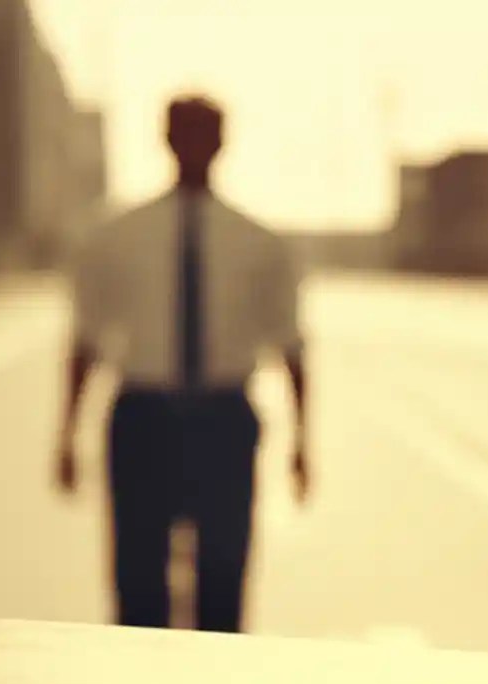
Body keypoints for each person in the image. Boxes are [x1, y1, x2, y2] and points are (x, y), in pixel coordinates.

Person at [57, 95, 308, 634]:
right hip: (143, 420)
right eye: (185, 132)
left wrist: (302, 442)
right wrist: (67, 434)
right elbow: (85, 339)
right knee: (138, 591)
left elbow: (291, 344)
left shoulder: (259, 243)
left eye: (204, 133)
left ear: (222, 142)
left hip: (224, 422)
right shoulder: (117, 237)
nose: (195, 145)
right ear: (166, 138)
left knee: (223, 587)